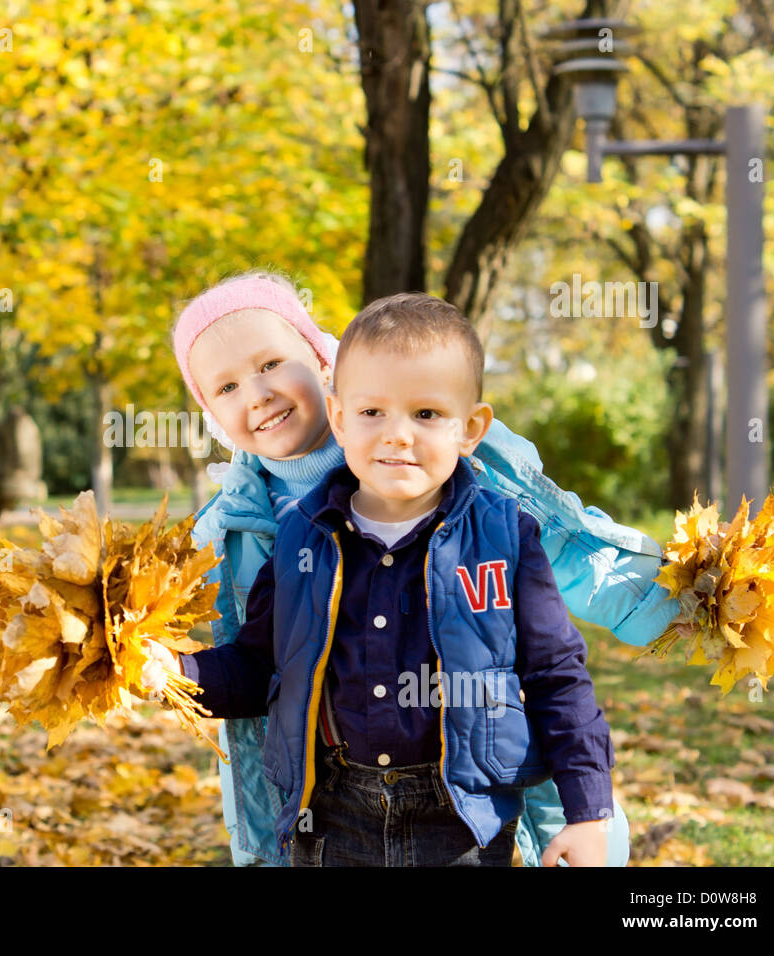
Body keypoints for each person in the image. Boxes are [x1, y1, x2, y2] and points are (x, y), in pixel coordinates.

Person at [158, 272, 675, 866]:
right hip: (332, 803)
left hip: (468, 792)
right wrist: (163, 671)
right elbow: (254, 664)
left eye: (271, 363)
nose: (256, 393)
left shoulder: (472, 487)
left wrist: (672, 601)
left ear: (321, 361)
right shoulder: (254, 527)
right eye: (224, 387)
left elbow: (566, 581)